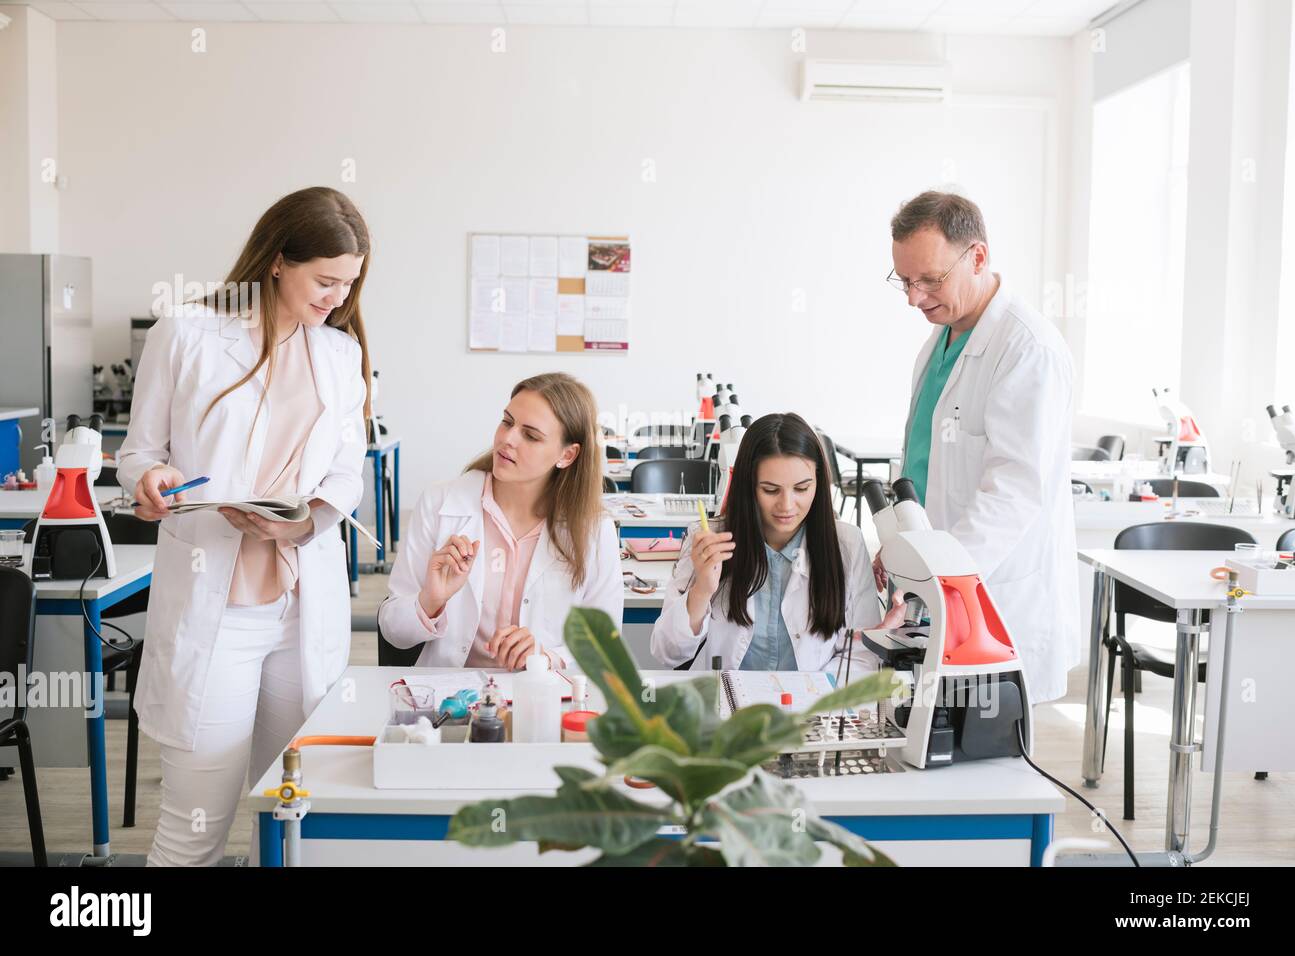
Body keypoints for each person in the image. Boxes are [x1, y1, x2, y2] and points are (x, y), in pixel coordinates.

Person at [118, 186, 371, 865]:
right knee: (194, 827)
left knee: (293, 815)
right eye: (325, 280)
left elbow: (349, 471)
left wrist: (303, 523)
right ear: (278, 261)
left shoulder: (339, 356)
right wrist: (148, 480)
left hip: (303, 607)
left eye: (349, 284)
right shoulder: (188, 334)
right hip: (217, 611)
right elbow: (140, 452)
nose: (337, 299)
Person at [882, 190, 1078, 703]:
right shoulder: (941, 340)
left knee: (993, 759)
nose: (913, 297)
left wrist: (937, 576)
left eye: (929, 279)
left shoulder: (1026, 348)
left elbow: (1015, 491)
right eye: (904, 281)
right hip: (940, 583)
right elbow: (925, 464)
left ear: (978, 256)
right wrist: (905, 551)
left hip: (995, 592)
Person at [380, 373, 622, 670]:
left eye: (531, 435)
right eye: (507, 422)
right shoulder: (439, 503)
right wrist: (430, 601)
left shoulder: (595, 530)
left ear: (567, 455)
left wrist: (547, 657)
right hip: (450, 700)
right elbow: (393, 632)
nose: (508, 439)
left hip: (543, 695)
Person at [652, 412, 902, 671]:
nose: (786, 505)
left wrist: (809, 701)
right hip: (727, 707)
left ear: (819, 483)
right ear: (749, 486)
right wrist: (702, 591)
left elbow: (860, 657)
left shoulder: (847, 545)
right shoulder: (709, 541)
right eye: (770, 490)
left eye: (802, 488)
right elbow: (667, 653)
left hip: (812, 708)